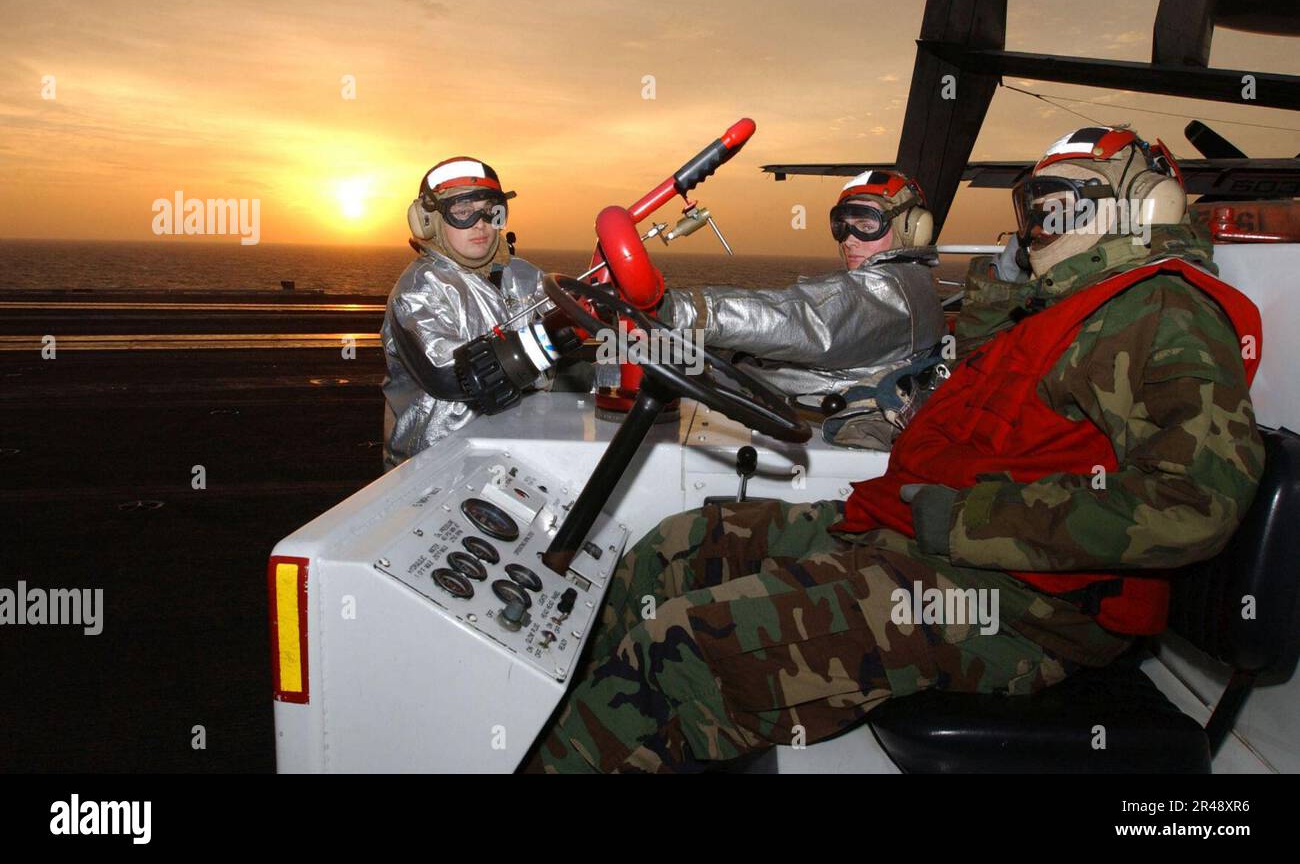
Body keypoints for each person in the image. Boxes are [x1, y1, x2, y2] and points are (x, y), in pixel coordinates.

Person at [530, 126, 1265, 773]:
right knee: (675, 548)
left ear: (1143, 209)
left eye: (1059, 207)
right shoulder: (1064, 309)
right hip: (921, 538)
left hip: (1021, 605)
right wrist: (1001, 284)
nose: (1038, 228)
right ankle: (566, 726)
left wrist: (973, 520)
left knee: (680, 645)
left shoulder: (1162, 310)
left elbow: (1194, 501)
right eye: (1033, 210)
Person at [658, 170, 944, 406]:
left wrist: (681, 309)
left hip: (810, 412)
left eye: (866, 225)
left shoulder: (889, 291)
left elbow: (808, 320)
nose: (849, 240)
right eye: (842, 227)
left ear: (912, 228)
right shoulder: (915, 282)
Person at [381, 157, 548, 469]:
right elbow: (453, 375)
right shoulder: (418, 291)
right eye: (462, 212)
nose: (481, 223)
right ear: (428, 221)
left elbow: (570, 312)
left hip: (517, 456)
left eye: (491, 210)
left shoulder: (525, 276)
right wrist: (549, 341)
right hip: (434, 467)